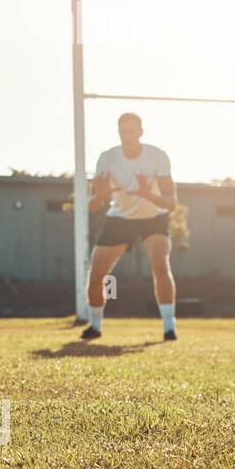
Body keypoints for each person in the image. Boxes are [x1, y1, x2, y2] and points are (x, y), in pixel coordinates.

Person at [82, 112, 179, 342]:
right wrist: (102, 194)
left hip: (153, 217)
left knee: (160, 264)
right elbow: (92, 204)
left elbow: (171, 203)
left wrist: (147, 194)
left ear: (141, 132)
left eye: (131, 131)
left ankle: (169, 328)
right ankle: (94, 326)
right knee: (97, 275)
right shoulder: (107, 158)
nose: (127, 136)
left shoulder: (157, 156)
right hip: (120, 218)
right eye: (122, 131)